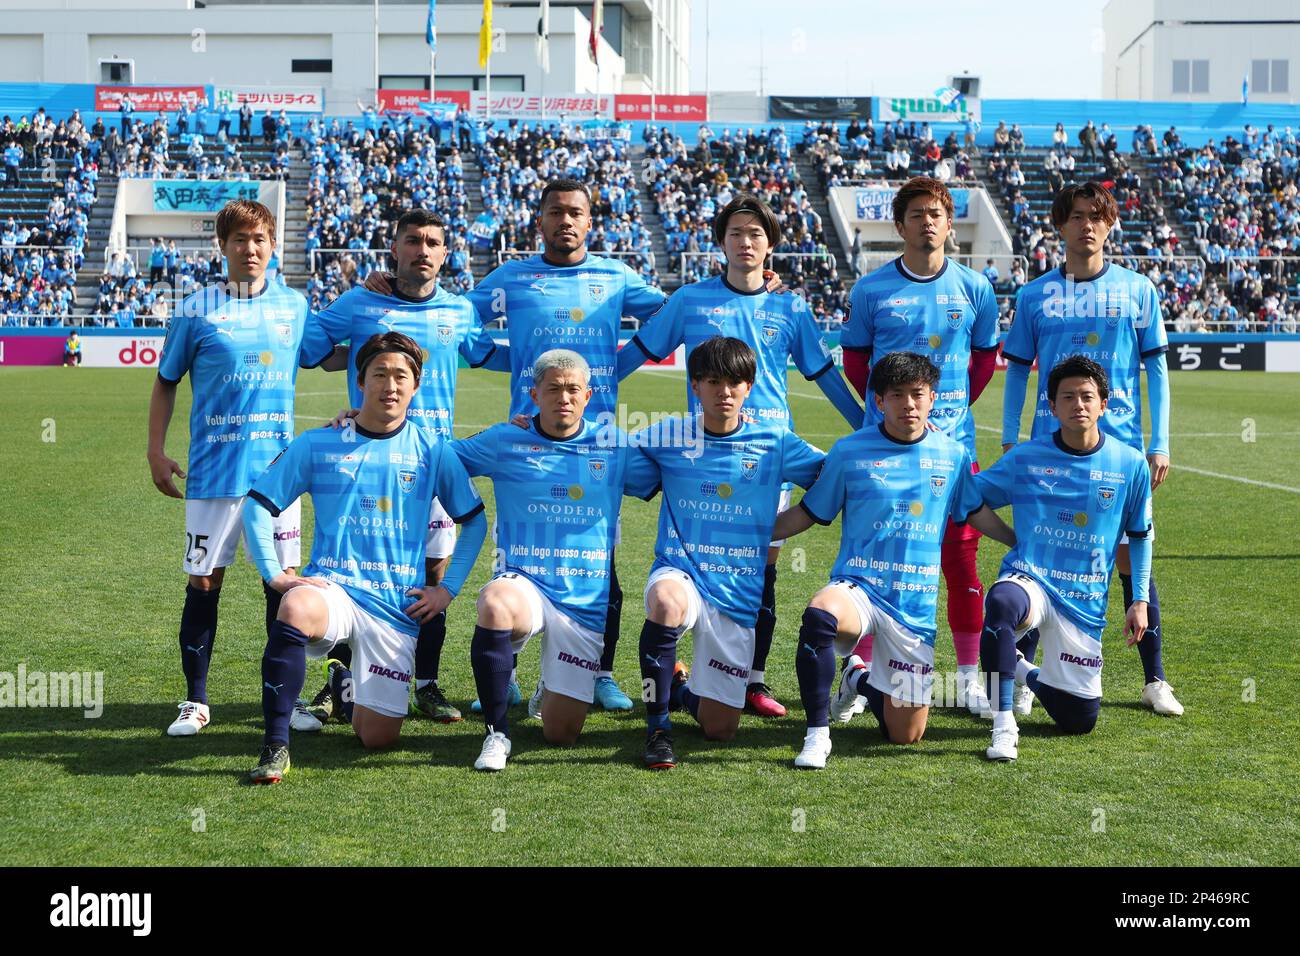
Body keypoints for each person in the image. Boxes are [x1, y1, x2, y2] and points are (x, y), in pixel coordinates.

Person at [365, 179, 669, 713]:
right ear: (540, 221)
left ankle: (598, 672)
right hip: (526, 441)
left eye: (576, 212)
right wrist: (389, 289)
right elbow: (455, 316)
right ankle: (503, 678)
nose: (566, 221)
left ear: (590, 221)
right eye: (556, 212)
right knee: (517, 564)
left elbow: (673, 315)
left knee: (602, 561)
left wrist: (620, 363)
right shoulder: (512, 277)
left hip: (597, 444)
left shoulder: (615, 276)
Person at [620, 192, 863, 718]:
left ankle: (749, 680)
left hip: (769, 459)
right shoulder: (689, 299)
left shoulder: (790, 305)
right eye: (735, 233)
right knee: (688, 561)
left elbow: (822, 373)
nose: (745, 242)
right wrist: (592, 393)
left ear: (771, 244)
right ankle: (669, 667)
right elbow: (642, 350)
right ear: (721, 242)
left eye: (755, 234)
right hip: (700, 454)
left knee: (761, 568)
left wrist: (869, 429)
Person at [244, 332, 488, 783]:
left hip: (394, 608)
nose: (390, 386)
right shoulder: (320, 443)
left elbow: (474, 520)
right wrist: (275, 574)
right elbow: (258, 503)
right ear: (360, 382)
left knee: (377, 739)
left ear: (416, 386)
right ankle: (275, 744)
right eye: (380, 375)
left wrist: (446, 589)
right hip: (333, 590)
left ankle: (345, 685)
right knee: (295, 605)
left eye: (401, 376)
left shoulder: (433, 450)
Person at [300, 209, 511, 723]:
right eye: (412, 240)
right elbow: (307, 350)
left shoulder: (460, 311)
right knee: (353, 573)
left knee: (433, 574)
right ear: (394, 249)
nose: (422, 249)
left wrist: (546, 371)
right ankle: (341, 681)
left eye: (432, 241)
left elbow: (487, 356)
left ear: (445, 254)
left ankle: (426, 682)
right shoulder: (359, 301)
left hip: (433, 464)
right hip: (367, 462)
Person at [770, 352, 1014, 768]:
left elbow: (973, 512)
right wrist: (748, 535)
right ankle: (816, 735)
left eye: (917, 394)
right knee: (820, 615)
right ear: (878, 401)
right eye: (896, 395)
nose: (909, 405)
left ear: (933, 397)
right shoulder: (849, 452)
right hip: (859, 589)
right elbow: (809, 513)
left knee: (906, 735)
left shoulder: (952, 455)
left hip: (913, 607)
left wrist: (1017, 541)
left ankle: (858, 680)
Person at [1001, 181, 1181, 716]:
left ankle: (1154, 679)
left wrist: (1160, 441)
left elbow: (1157, 369)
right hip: (1049, 448)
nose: (1087, 226)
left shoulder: (1138, 289)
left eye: (1096, 216)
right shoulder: (1034, 295)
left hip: (1120, 448)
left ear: (1110, 224)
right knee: (1042, 553)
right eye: (1077, 216)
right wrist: (1011, 439)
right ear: (1060, 225)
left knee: (1131, 554)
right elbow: (1015, 370)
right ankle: (1023, 679)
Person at [148, 199, 311, 737]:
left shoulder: (295, 305)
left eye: (260, 239)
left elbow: (334, 352)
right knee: (203, 583)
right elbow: (166, 380)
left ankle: (284, 703)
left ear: (272, 245)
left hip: (277, 478)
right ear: (222, 246)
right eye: (239, 239)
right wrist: (155, 449)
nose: (251, 249)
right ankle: (196, 701)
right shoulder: (195, 310)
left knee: (282, 587)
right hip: (213, 475)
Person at [840, 177, 1001, 719]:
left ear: (949, 222)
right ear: (900, 224)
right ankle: (859, 672)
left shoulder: (976, 289)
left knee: (960, 562)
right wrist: (883, 414)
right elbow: (857, 364)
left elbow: (983, 361)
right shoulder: (871, 290)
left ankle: (968, 677)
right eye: (916, 214)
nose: (927, 222)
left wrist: (944, 415)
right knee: (874, 559)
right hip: (882, 451)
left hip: (952, 447)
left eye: (936, 213)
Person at [627, 336, 825, 769]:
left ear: (750, 387)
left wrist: (776, 528)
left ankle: (678, 687)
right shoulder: (667, 433)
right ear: (695, 386)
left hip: (738, 590)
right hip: (681, 574)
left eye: (735, 382)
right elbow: (599, 451)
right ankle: (658, 728)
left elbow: (832, 477)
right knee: (665, 602)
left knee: (720, 729)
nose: (725, 392)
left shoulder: (774, 441)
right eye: (713, 381)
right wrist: (536, 427)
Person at [450, 349, 632, 771]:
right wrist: (361, 425)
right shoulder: (504, 439)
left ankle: (549, 687)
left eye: (572, 390)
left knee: (561, 735)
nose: (563, 397)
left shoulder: (617, 447)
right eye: (552, 389)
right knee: (494, 603)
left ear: (588, 396)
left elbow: (677, 468)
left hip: (582, 602)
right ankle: (497, 734)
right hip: (523, 581)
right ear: (534, 394)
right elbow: (438, 457)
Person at [976, 355, 1151, 761]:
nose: (1079, 404)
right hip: (1031, 580)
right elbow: (970, 496)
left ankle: (1020, 669)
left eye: (1087, 396)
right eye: (1067, 396)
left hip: (1084, 600)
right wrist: (1011, 540)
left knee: (1077, 720)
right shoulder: (1025, 458)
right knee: (1002, 602)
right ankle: (1003, 725)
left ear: (1104, 403)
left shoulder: (1129, 464)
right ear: (1051, 406)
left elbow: (1140, 537)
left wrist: (1139, 599)